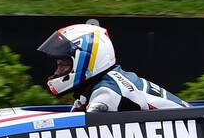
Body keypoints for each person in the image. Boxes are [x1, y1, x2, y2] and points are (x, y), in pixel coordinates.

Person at [35, 23, 188, 113]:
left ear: (86, 60)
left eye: (63, 65)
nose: (56, 73)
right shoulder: (90, 89)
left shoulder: (107, 92)